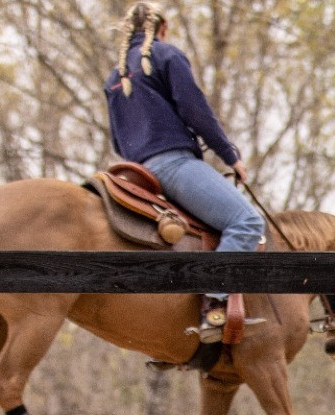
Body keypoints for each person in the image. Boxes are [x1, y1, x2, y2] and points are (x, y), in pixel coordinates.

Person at [105, 2, 265, 346]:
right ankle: (214, 306)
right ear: (161, 28)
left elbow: (118, 140)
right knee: (247, 223)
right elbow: (196, 111)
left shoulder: (113, 77)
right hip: (172, 164)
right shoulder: (166, 55)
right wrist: (230, 156)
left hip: (134, 174)